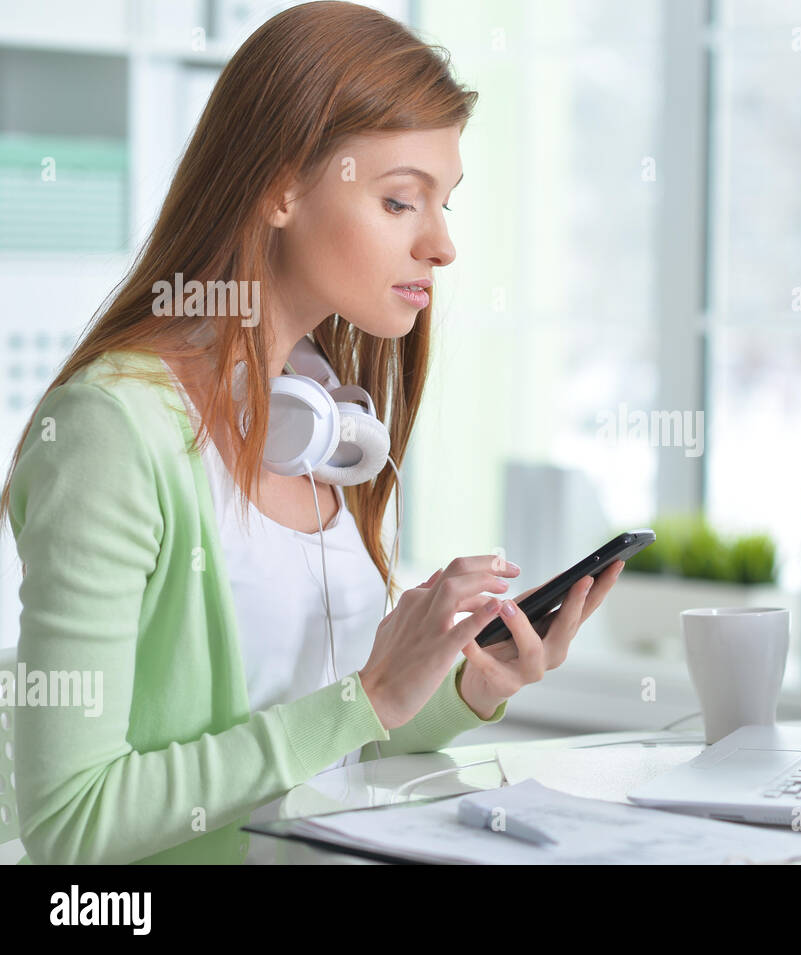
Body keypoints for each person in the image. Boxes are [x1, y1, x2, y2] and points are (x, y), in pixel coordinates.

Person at [0, 1, 622, 864]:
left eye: (444, 203)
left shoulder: (329, 423)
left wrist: (458, 691)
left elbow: (328, 752)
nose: (442, 245)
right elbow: (70, 823)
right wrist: (365, 696)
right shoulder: (115, 430)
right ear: (281, 187)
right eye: (401, 199)